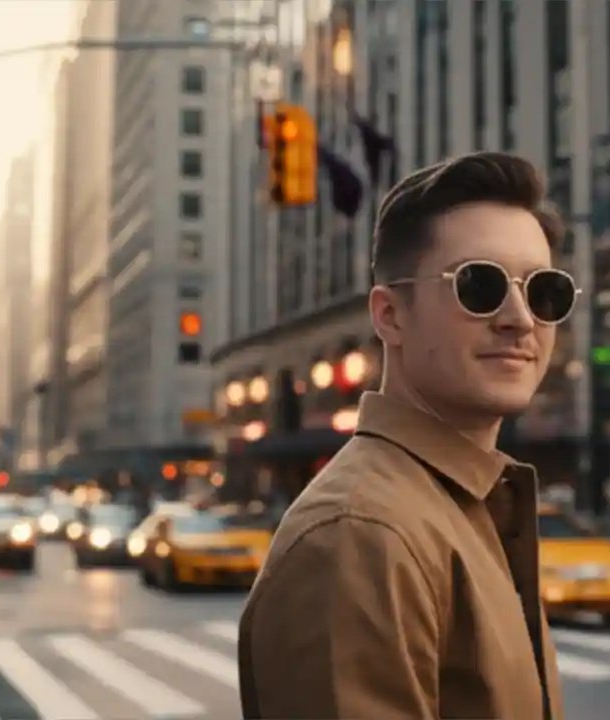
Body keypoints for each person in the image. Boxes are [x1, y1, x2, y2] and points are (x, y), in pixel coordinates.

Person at [239, 152, 575, 719]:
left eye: (544, 292)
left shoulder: (472, 505)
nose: (520, 318)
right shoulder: (361, 534)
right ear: (390, 315)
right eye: (480, 284)